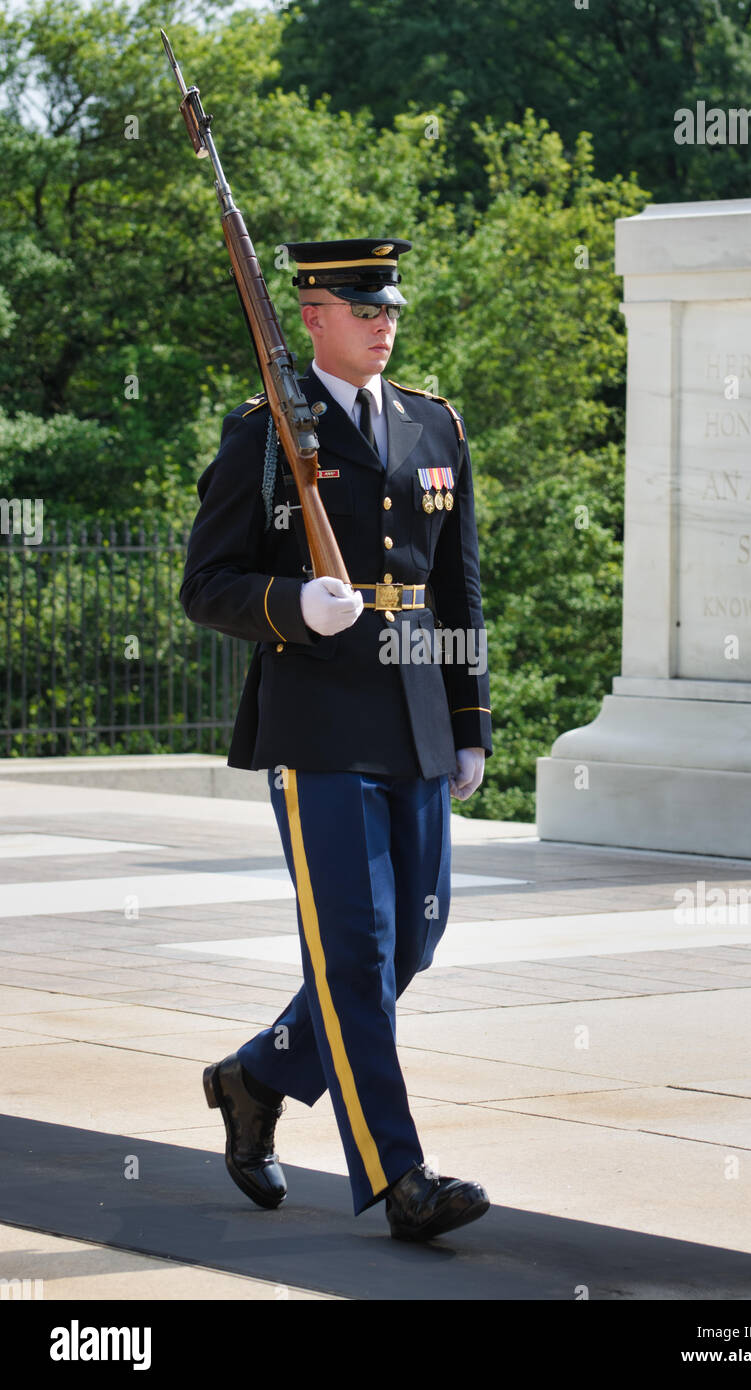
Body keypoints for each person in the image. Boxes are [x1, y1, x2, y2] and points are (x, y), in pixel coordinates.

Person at [180, 237, 492, 1242]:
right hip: (317, 726)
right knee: (353, 953)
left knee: (415, 940)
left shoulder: (433, 423)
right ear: (310, 315)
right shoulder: (267, 434)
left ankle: (259, 1072)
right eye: (361, 308)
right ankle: (400, 1177)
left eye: (389, 305)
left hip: (416, 721)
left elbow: (456, 585)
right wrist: (288, 605)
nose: (383, 321)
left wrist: (470, 719)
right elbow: (207, 585)